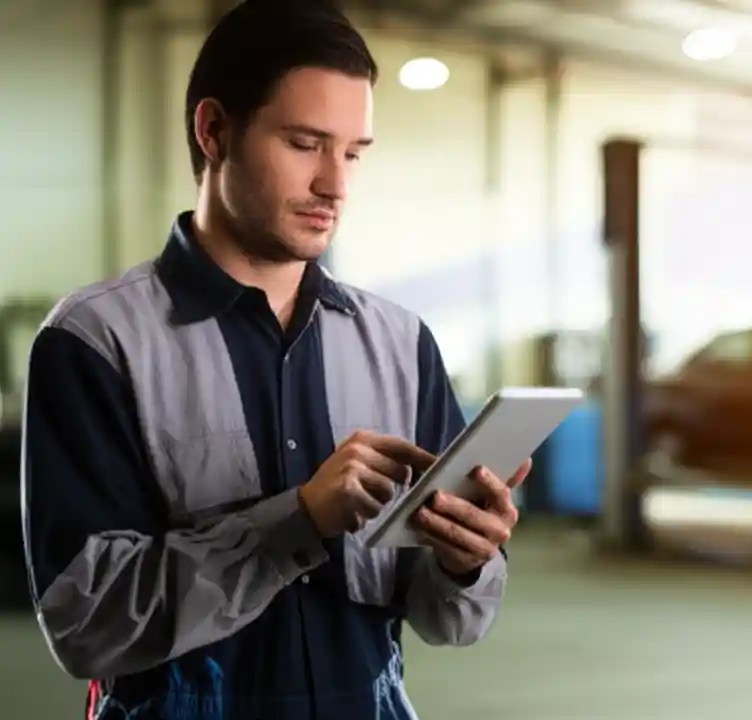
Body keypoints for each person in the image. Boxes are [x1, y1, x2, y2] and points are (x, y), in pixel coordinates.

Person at [20, 1, 528, 717]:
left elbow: (452, 622)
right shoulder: (96, 342)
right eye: (304, 143)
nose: (336, 185)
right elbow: (87, 629)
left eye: (352, 153)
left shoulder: (400, 342)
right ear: (214, 129)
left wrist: (465, 560)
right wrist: (296, 521)